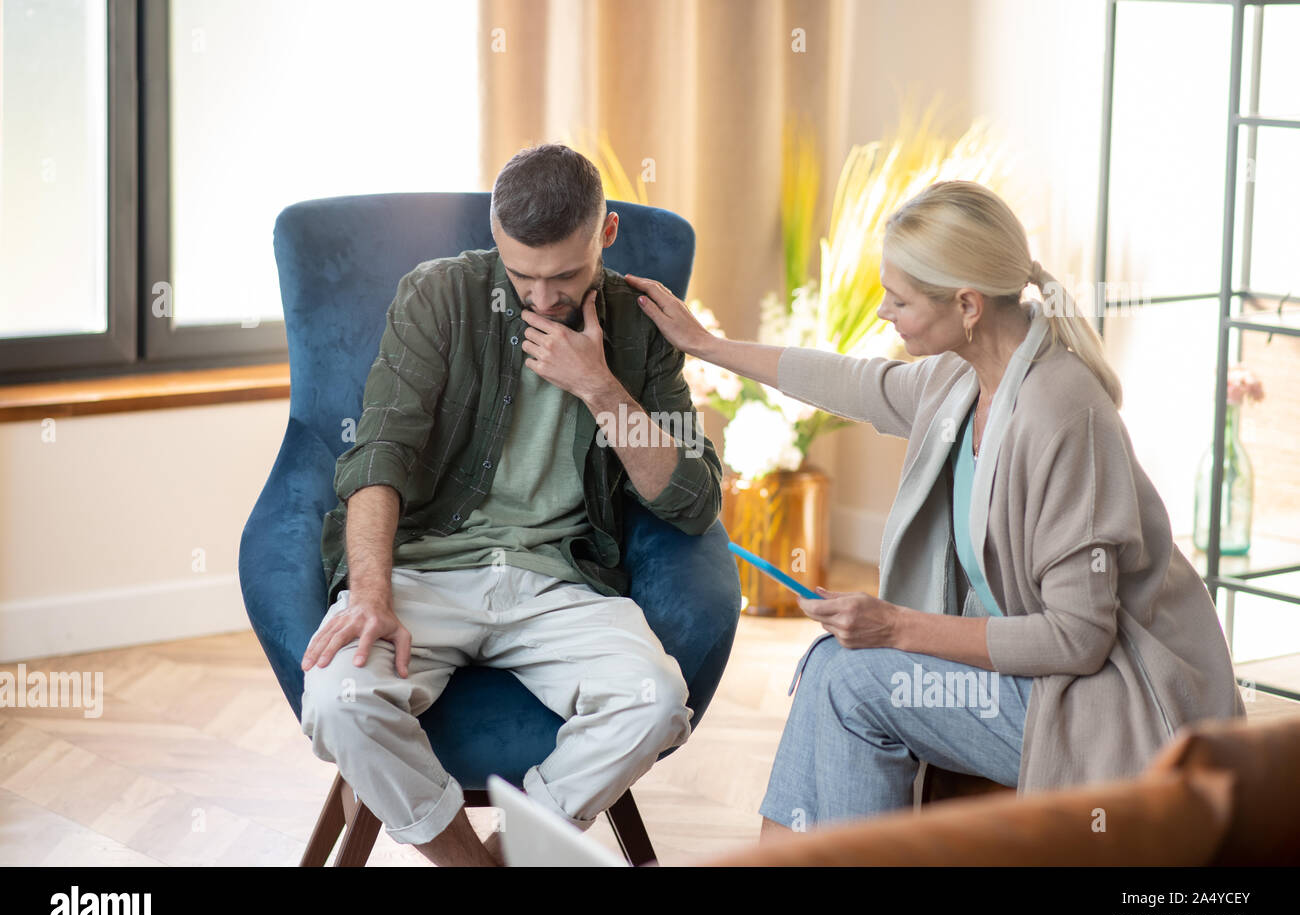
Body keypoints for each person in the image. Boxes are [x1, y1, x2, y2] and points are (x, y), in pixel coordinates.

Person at [626, 179, 1246, 838]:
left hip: (1113, 704)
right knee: (833, 664)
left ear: (968, 304)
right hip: (1038, 678)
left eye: (900, 300)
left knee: (852, 682)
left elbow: (1079, 639)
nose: (884, 314)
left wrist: (895, 628)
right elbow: (852, 381)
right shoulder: (963, 377)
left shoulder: (1062, 413)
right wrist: (708, 347)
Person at [299, 143, 723, 866]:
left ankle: (512, 851)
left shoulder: (642, 325)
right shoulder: (440, 295)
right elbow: (380, 453)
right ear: (496, 237)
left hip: (563, 581)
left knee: (653, 703)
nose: (541, 297)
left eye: (565, 274)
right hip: (427, 570)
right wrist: (370, 593)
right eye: (522, 273)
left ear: (606, 234)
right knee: (339, 701)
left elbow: (691, 501)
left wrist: (599, 387)